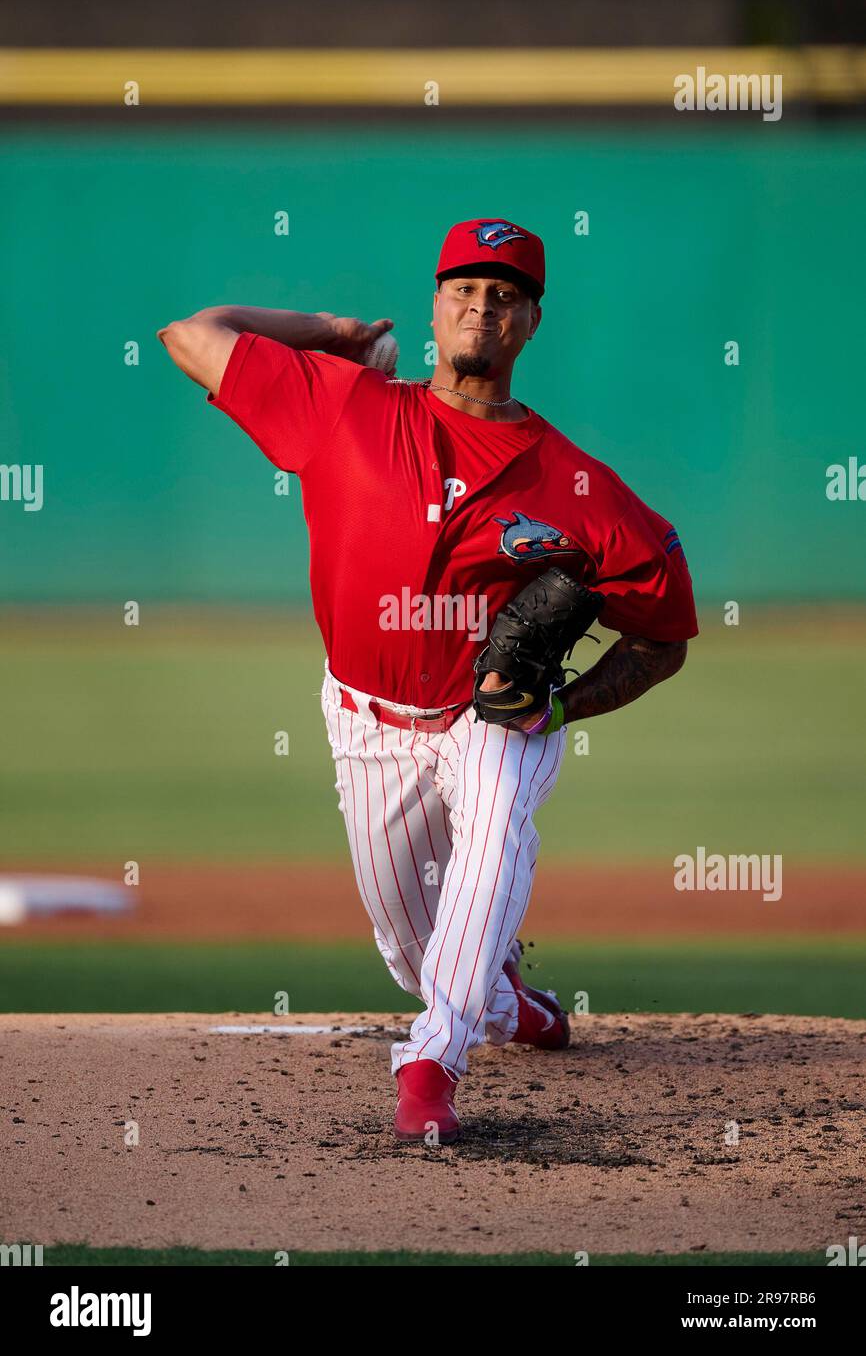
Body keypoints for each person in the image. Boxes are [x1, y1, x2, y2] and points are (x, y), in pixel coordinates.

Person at [158, 217, 697, 1144]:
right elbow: (191, 335)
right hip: (366, 722)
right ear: (435, 308)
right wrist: (330, 333)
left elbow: (664, 634)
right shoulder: (343, 404)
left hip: (487, 717)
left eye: (505, 296)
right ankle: (509, 1006)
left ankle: (429, 1067)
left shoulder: (578, 488)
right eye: (464, 289)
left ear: (530, 324)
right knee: (415, 946)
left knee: (494, 831)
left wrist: (562, 703)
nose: (482, 307)